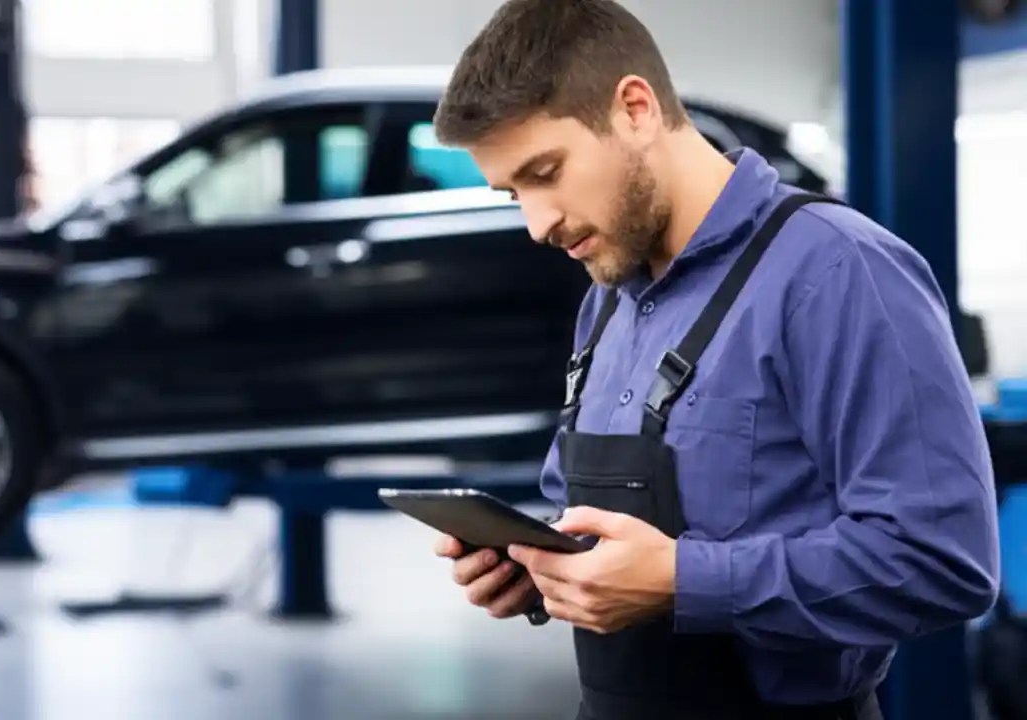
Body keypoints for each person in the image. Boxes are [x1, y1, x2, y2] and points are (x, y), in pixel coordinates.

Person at [428, 1, 1001, 719]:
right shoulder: (607, 298)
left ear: (635, 108)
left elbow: (942, 560)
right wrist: (543, 569)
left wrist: (682, 578)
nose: (537, 224)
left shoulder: (836, 271)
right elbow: (597, 521)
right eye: (513, 192)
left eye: (546, 172)